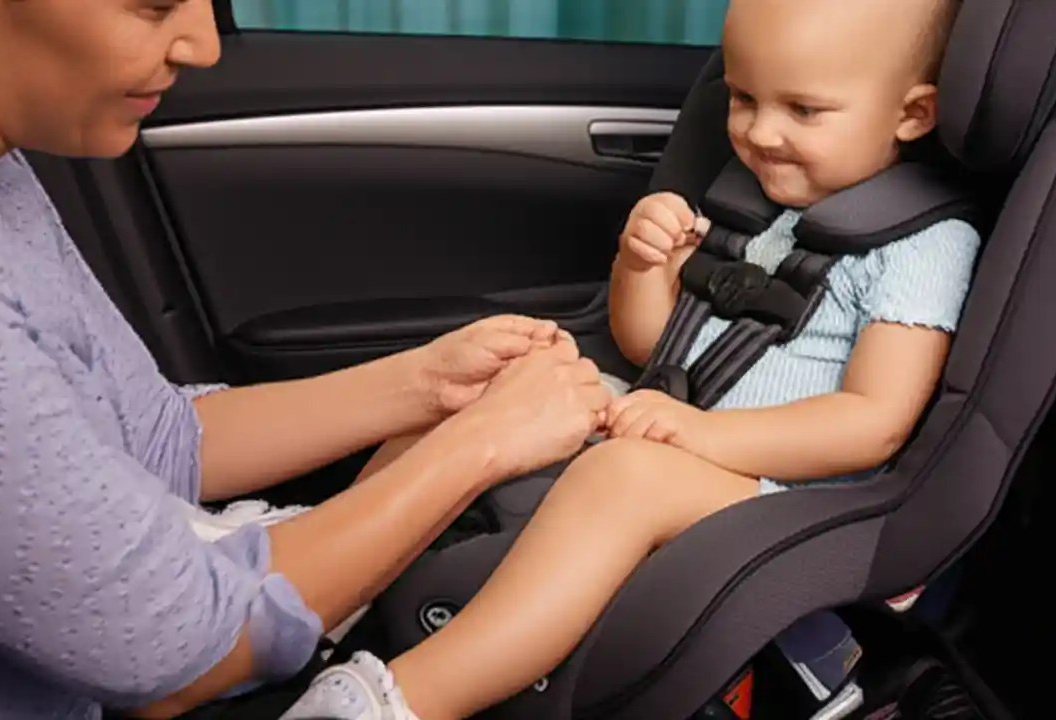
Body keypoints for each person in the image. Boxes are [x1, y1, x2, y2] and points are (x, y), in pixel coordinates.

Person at [0, 2, 612, 719]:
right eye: (155, 6)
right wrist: (479, 447)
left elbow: (157, 437)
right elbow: (173, 656)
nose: (203, 45)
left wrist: (426, 384)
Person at [289, 0, 982, 718]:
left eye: (804, 110)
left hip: (796, 498)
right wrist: (642, 266)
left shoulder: (924, 246)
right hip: (685, 432)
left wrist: (702, 436)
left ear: (913, 114)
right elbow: (654, 347)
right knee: (496, 387)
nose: (759, 132)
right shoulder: (763, 209)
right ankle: (316, 588)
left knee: (628, 475)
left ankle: (402, 703)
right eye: (744, 98)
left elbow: (875, 424)